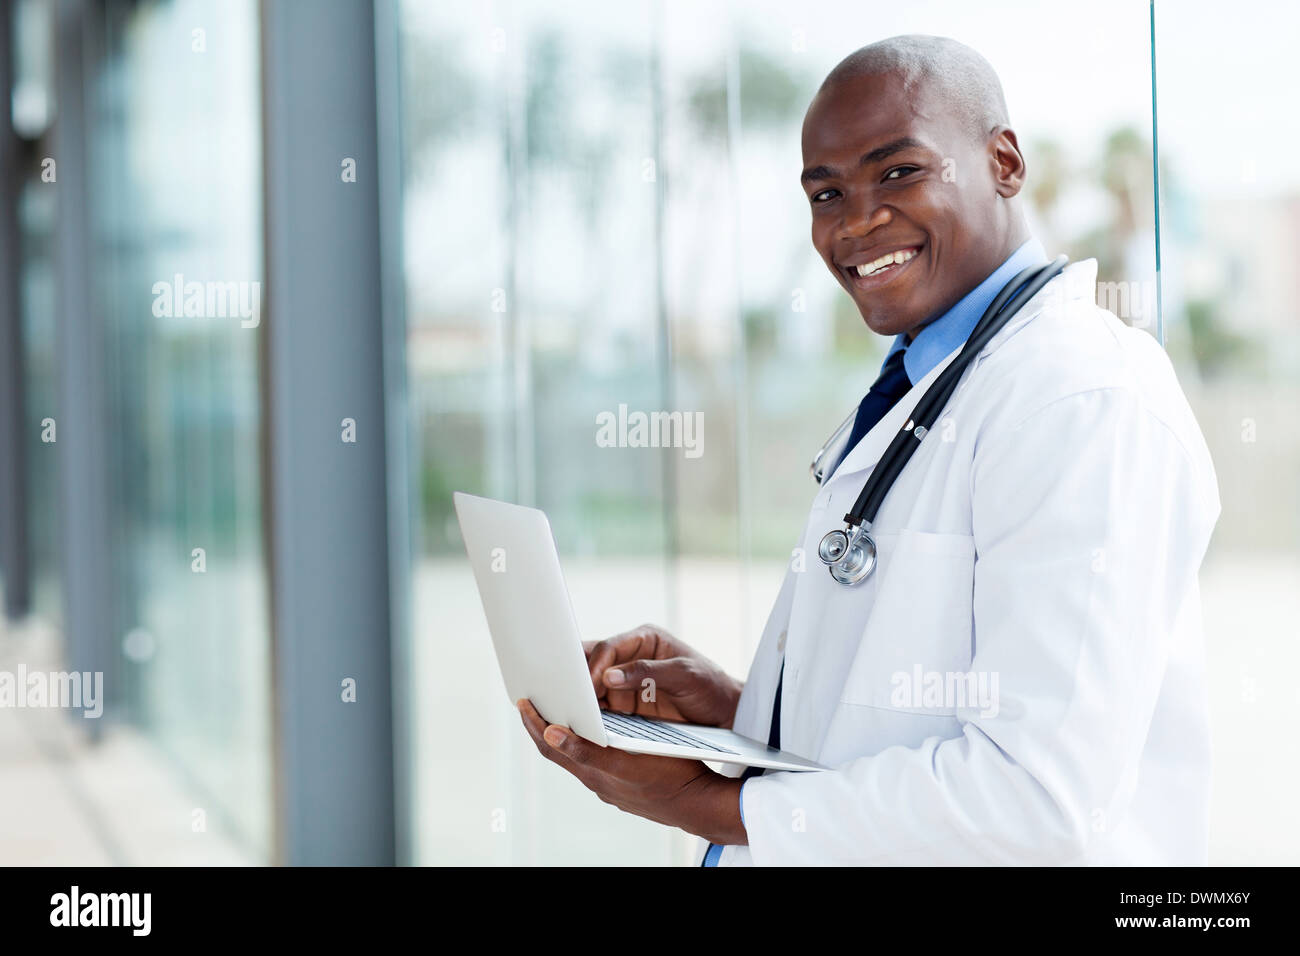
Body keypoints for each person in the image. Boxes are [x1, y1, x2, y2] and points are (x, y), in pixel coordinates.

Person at [516, 34, 1221, 865]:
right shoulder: (936, 380)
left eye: (898, 172)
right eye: (825, 193)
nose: (856, 221)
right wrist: (745, 711)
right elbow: (918, 701)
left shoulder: (1083, 400)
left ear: (1003, 162)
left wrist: (718, 806)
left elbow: (1038, 801)